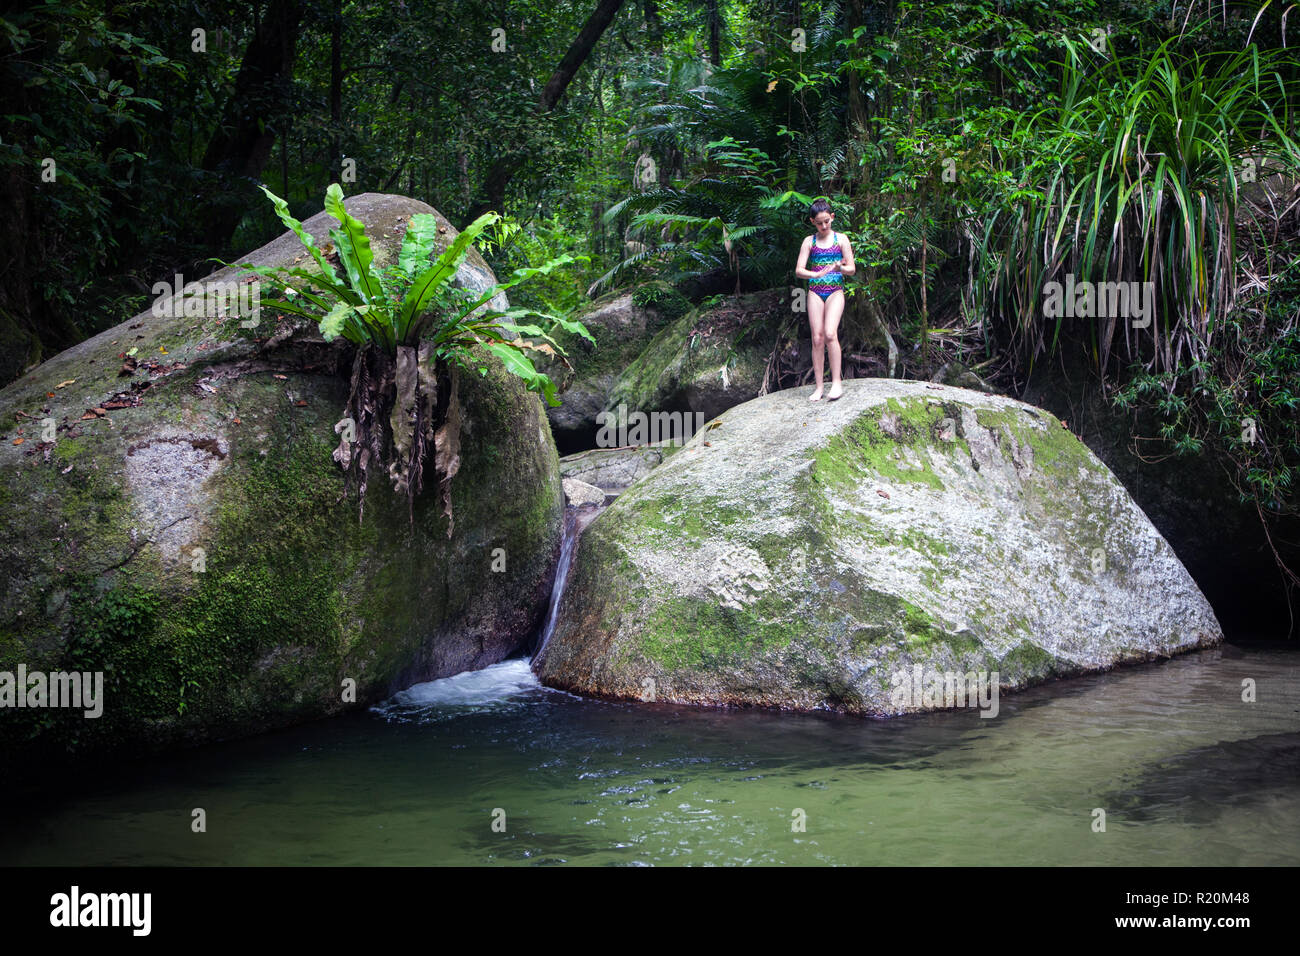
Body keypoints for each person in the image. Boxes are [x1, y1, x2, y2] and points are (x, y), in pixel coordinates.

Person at [794, 199, 856, 401]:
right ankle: (819, 387)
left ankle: (836, 383)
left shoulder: (841, 239)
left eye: (827, 221)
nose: (823, 226)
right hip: (814, 292)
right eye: (819, 223)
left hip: (835, 291)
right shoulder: (809, 242)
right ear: (812, 221)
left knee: (830, 334)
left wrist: (839, 268)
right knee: (817, 338)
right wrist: (816, 274)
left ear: (832, 218)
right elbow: (799, 270)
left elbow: (852, 269)